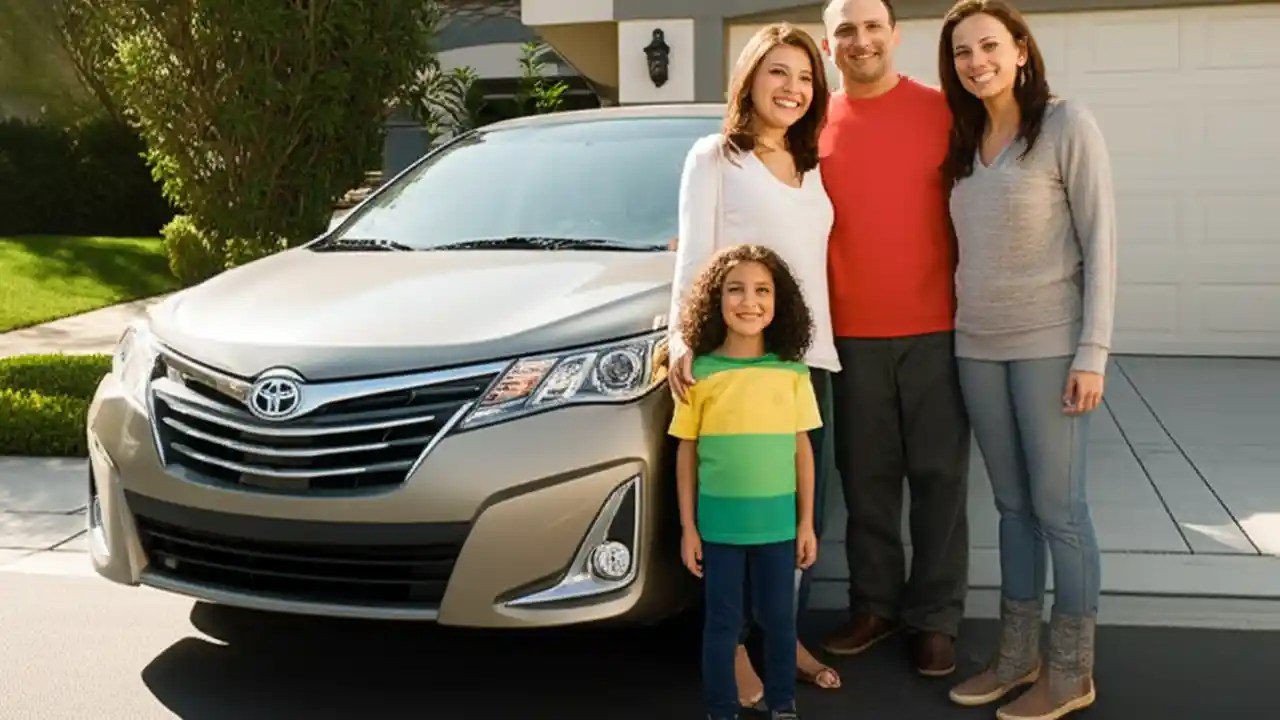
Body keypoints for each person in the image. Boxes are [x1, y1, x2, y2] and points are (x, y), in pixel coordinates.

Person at [937, 2, 1116, 718]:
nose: (975, 62)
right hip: (976, 345)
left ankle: (1071, 671)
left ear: (1019, 49)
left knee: (1058, 510)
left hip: (1050, 344)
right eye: (960, 53)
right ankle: (1018, 658)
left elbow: (1102, 243)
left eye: (987, 46)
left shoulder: (1067, 125)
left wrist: (1092, 351)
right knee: (1011, 509)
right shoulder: (964, 137)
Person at [665, 21, 843, 706]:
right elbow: (694, 256)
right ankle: (734, 644)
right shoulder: (716, 156)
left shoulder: (813, 164)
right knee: (734, 515)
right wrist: (682, 341)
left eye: (804, 77)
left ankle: (782, 636)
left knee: (799, 515)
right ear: (750, 78)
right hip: (735, 369)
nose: (793, 88)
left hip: (807, 362)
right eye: (778, 72)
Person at [816, 0, 973, 677]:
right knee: (867, 480)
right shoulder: (808, 121)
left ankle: (935, 618)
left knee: (940, 479)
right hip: (847, 334)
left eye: (872, 26)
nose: (861, 40)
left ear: (894, 36)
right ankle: (874, 606)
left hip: (937, 326)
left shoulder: (944, 110)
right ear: (830, 47)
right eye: (846, 30)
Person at [670, 244, 822, 720]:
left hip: (778, 526)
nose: (748, 301)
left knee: (779, 621)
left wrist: (806, 524)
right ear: (715, 300)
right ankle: (721, 710)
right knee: (721, 623)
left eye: (762, 290)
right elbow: (687, 452)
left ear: (780, 302)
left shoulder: (792, 374)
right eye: (735, 289)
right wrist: (688, 528)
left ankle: (783, 706)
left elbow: (802, 451)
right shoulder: (700, 375)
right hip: (718, 528)